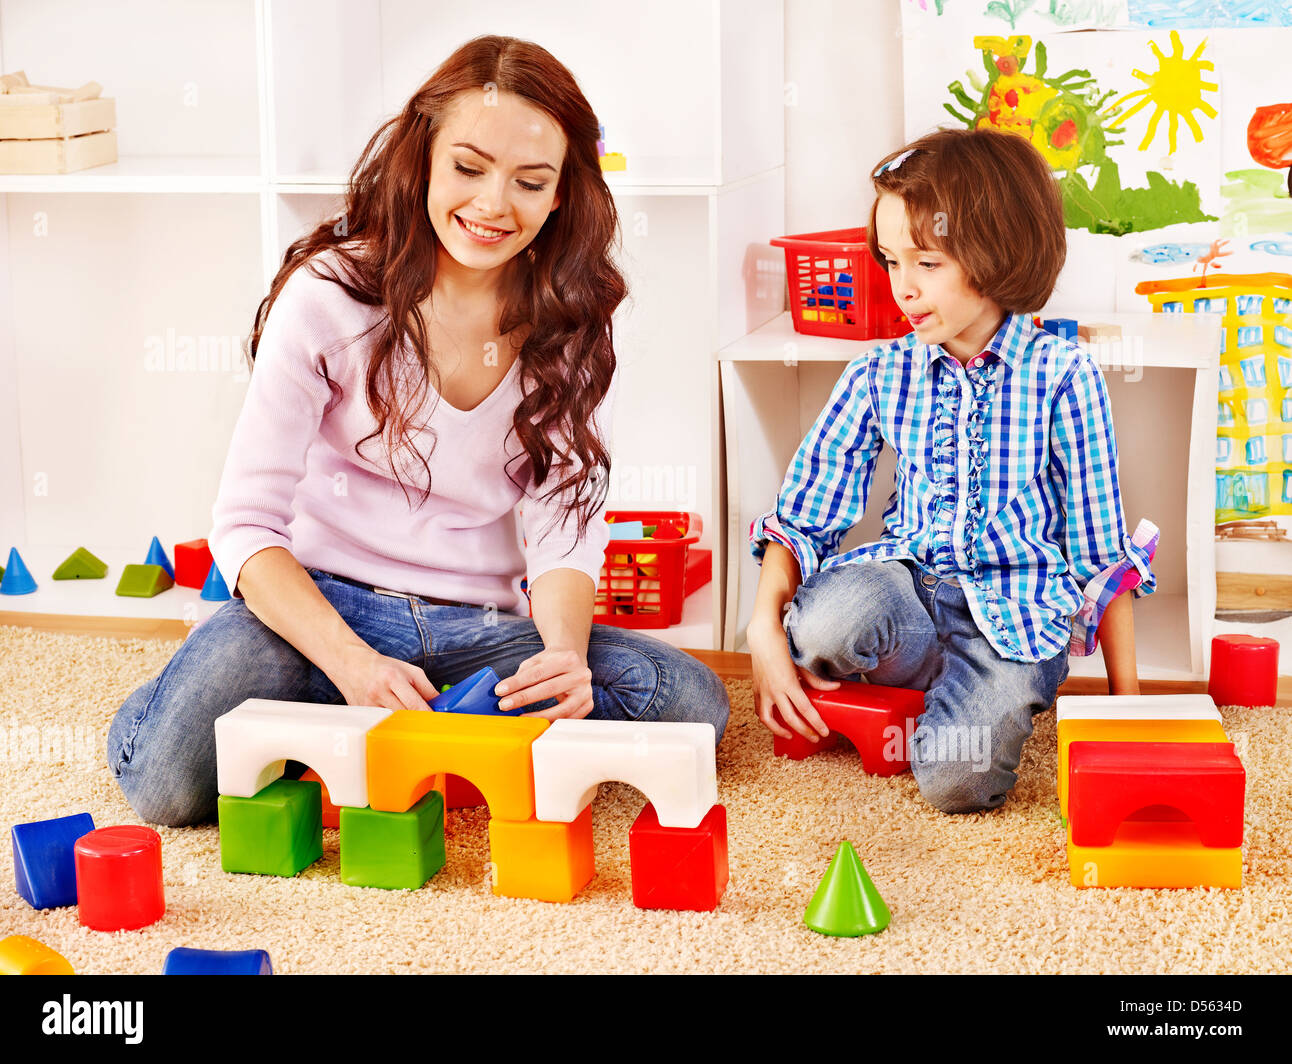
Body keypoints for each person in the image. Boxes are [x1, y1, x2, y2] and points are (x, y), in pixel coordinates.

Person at [107, 35, 730, 828]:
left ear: (561, 195)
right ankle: (335, 705)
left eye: (529, 181)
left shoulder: (571, 318)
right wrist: (355, 664)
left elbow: (562, 528)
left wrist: (565, 655)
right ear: (425, 157)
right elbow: (245, 525)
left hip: (482, 624)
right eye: (469, 168)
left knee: (690, 704)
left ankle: (357, 729)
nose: (493, 205)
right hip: (323, 612)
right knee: (165, 788)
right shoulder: (329, 296)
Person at [746, 128, 1155, 813]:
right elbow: (805, 515)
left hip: (1016, 617)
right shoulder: (879, 370)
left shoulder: (1063, 375)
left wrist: (1130, 709)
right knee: (821, 627)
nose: (902, 288)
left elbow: (1099, 555)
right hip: (909, 593)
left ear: (997, 252)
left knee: (957, 785)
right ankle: (932, 682)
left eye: (926, 263)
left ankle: (975, 690)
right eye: (889, 261)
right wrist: (762, 627)